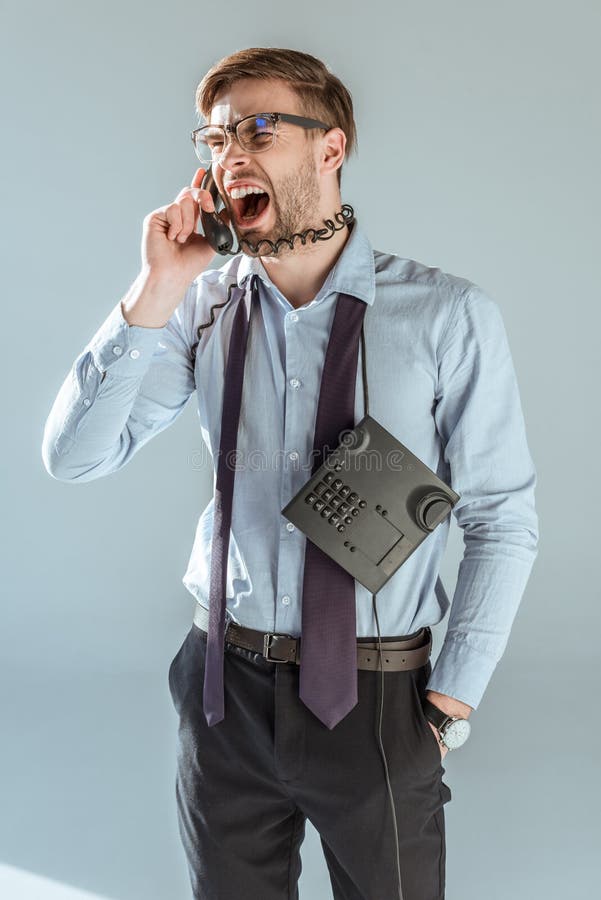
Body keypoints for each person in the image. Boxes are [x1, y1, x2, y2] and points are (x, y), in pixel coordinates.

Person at [41, 47, 539, 900]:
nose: (228, 151)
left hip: (380, 700)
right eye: (214, 136)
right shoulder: (200, 307)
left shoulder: (446, 314)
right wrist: (154, 286)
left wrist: (448, 706)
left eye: (258, 128)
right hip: (223, 691)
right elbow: (75, 457)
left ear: (330, 149)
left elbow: (501, 519)